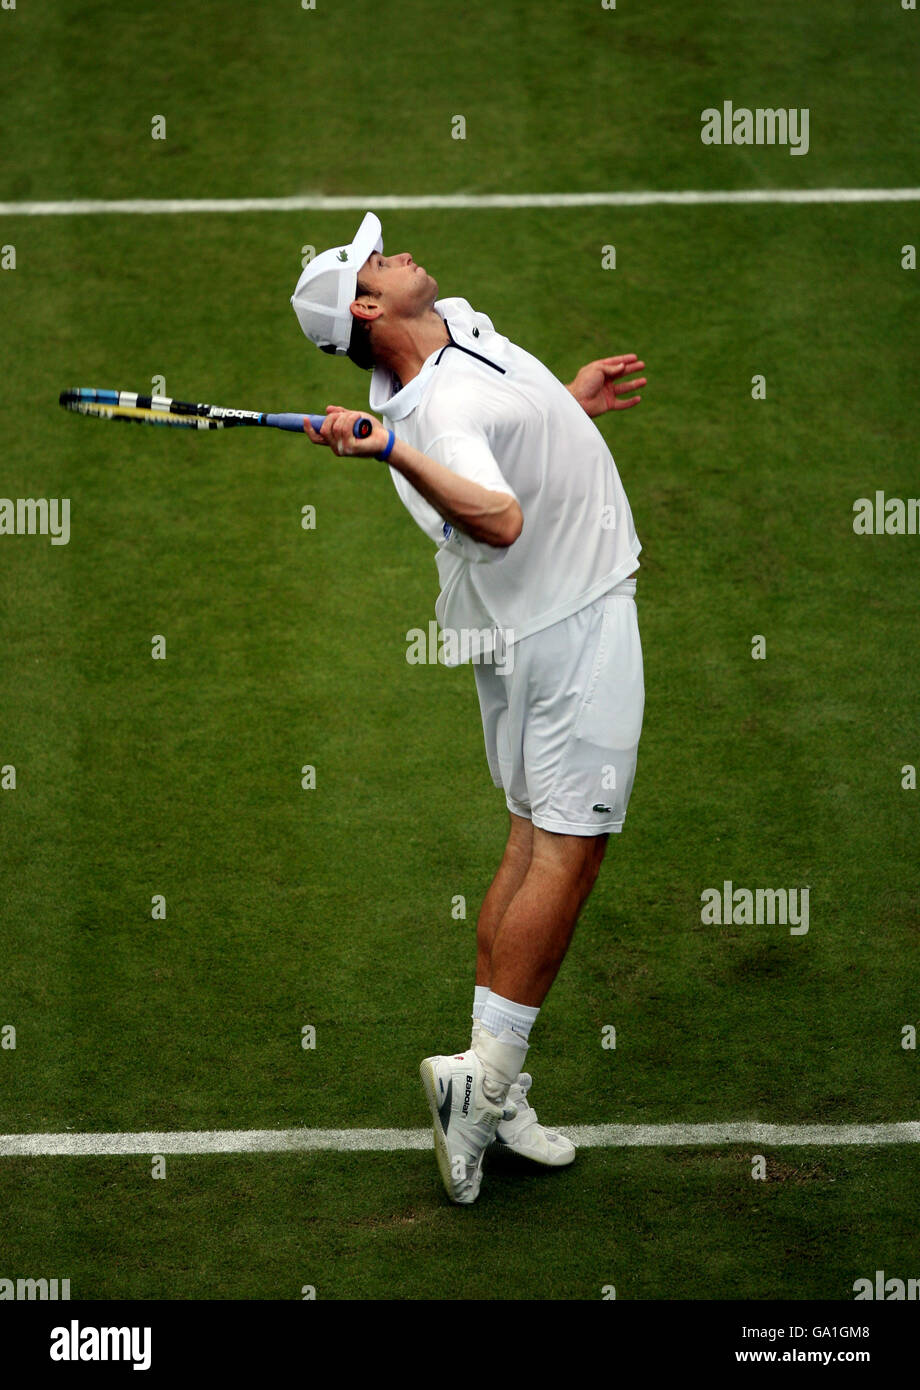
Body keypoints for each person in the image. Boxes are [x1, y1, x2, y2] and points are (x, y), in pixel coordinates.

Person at [291, 212, 646, 1205]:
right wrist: (394, 453)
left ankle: (490, 1087)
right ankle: (479, 1083)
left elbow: (503, 424)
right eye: (377, 259)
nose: (396, 251)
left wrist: (563, 412)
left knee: (534, 838)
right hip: (566, 628)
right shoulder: (431, 419)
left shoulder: (449, 328)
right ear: (366, 307)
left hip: (540, 628)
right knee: (569, 849)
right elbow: (494, 517)